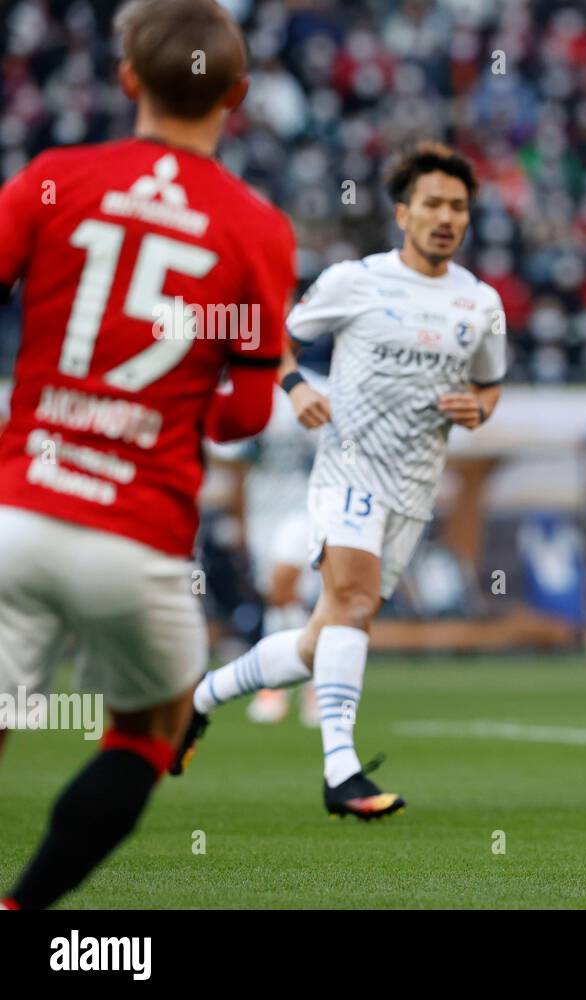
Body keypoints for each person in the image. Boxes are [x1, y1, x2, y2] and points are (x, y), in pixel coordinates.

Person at [0, 0, 295, 908]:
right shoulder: (257, 228)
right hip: (137, 534)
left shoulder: (53, 178)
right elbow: (244, 415)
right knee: (151, 728)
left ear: (127, 77)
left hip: (21, 503)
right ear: (238, 95)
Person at [176, 141, 507, 820]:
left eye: (458, 207)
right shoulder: (356, 281)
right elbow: (275, 335)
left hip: (414, 491)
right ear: (403, 212)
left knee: (321, 637)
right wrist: (294, 386)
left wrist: (479, 409)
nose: (446, 217)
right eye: (433, 203)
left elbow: (491, 384)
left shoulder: (481, 304)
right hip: (348, 470)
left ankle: (197, 701)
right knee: (352, 604)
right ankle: (340, 770)